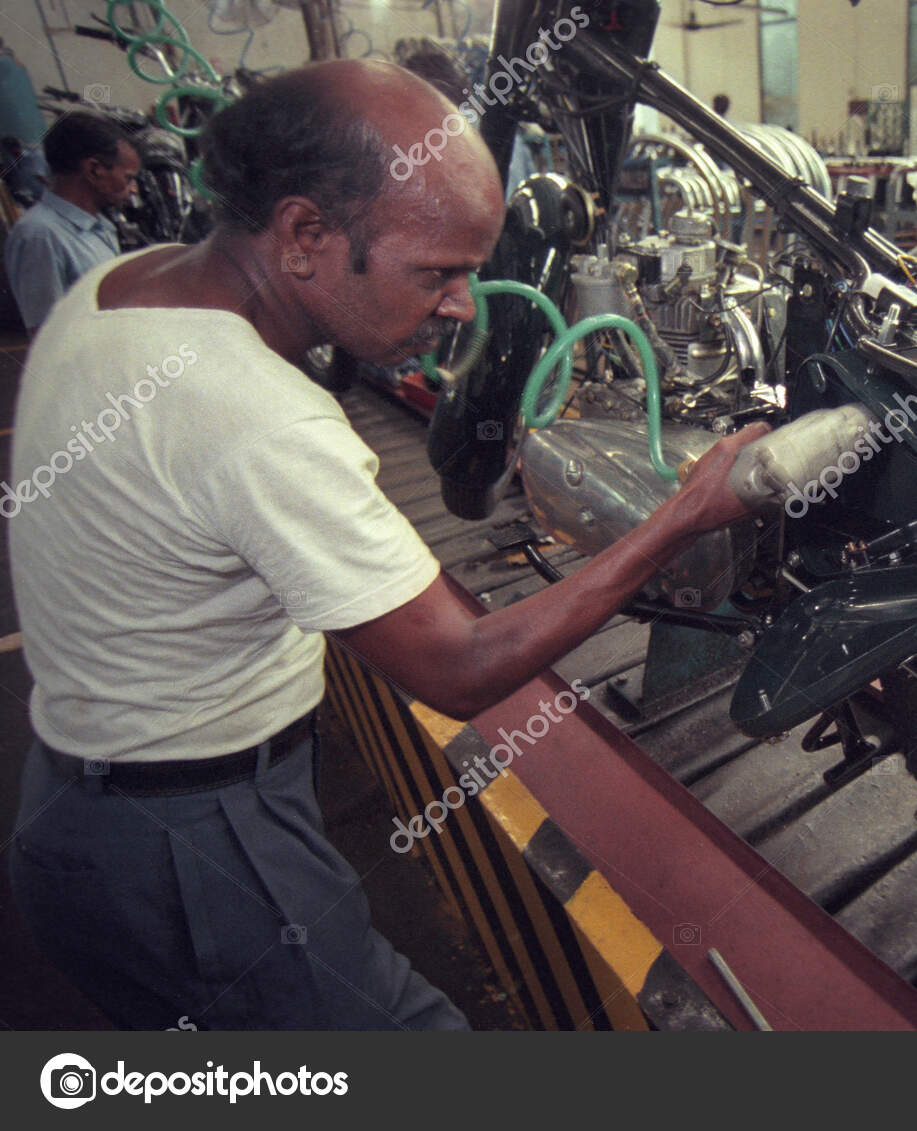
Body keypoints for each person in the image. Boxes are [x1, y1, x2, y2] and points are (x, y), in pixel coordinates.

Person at [6, 59, 765, 1030]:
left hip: (80, 807)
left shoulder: (122, 285)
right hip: (195, 843)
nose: (460, 305)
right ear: (304, 235)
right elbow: (462, 665)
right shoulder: (254, 415)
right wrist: (683, 515)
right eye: (435, 273)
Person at [3, 109, 139, 332]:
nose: (133, 189)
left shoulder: (101, 227)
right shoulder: (39, 235)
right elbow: (45, 335)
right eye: (128, 177)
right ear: (94, 170)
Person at [1, 135, 50, 206]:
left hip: (45, 199)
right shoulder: (13, 164)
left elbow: (43, 178)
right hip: (32, 201)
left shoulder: (33, 156)